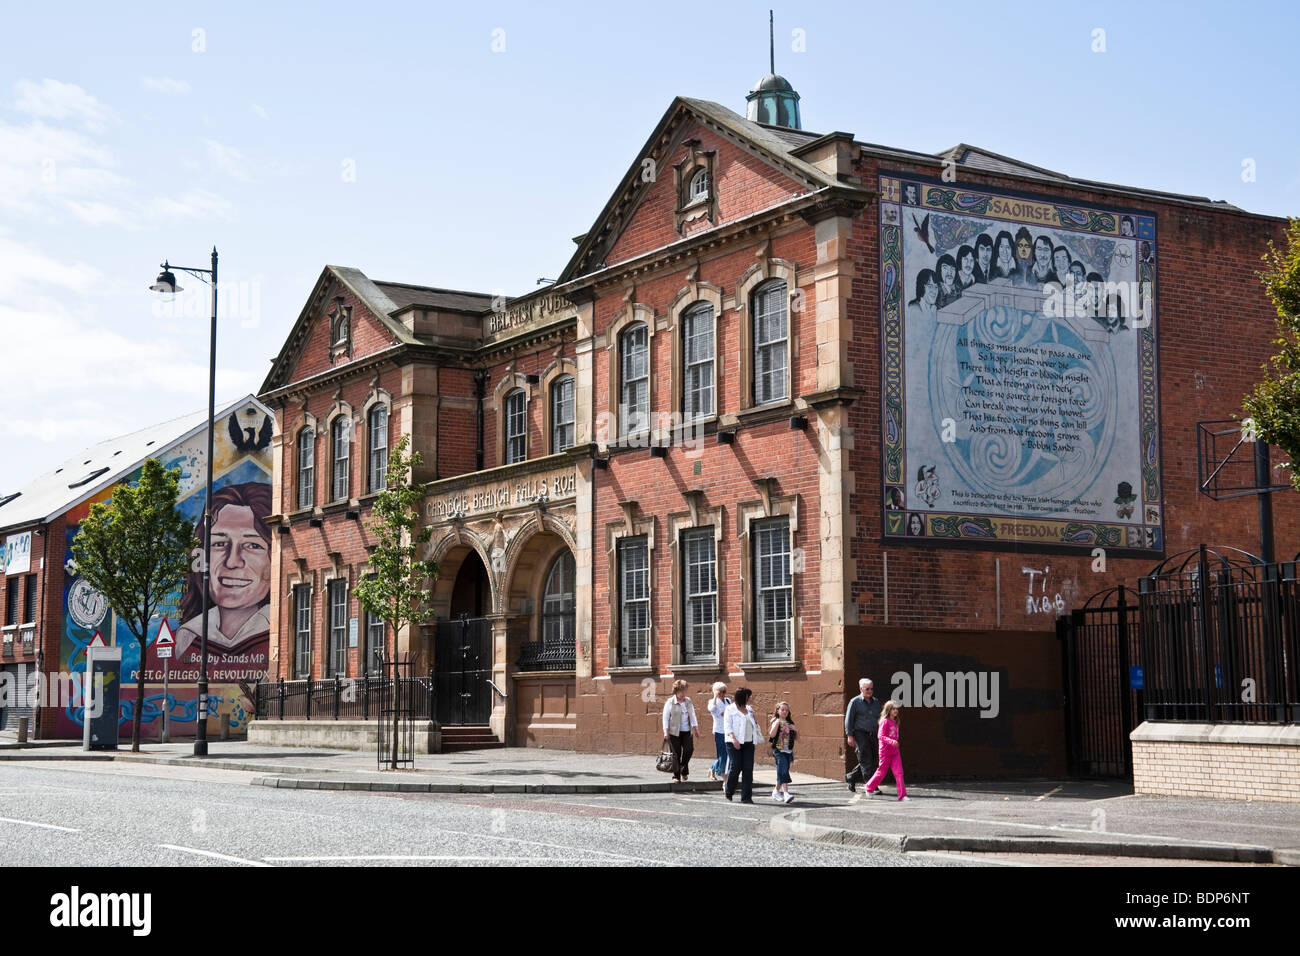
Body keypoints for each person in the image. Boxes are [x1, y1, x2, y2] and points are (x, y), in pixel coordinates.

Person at [174, 481, 273, 661]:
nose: (232, 561)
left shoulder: (280, 637)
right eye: (219, 544)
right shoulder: (185, 638)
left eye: (252, 545)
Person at [864, 700, 910, 801]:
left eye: (896, 709)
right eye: (893, 709)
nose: (895, 711)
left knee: (899, 773)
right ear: (888, 710)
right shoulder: (885, 721)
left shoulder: (896, 722)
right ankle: (869, 787)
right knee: (881, 772)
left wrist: (894, 743)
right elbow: (880, 736)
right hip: (885, 751)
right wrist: (891, 741)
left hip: (895, 752)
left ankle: (902, 796)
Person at [724, 687, 763, 803]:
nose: (749, 699)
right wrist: (734, 739)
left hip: (749, 742)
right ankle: (729, 790)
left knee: (748, 769)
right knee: (735, 767)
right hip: (733, 742)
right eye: (747, 697)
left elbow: (754, 726)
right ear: (741, 698)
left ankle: (746, 797)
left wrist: (755, 720)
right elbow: (727, 726)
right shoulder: (730, 709)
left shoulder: (749, 709)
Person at [844, 677, 881, 792]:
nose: (870, 691)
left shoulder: (875, 702)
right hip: (860, 734)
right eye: (867, 689)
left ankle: (851, 777)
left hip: (873, 734)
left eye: (871, 689)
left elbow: (880, 718)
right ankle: (871, 785)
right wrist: (849, 735)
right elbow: (849, 719)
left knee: (872, 758)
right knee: (866, 759)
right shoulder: (855, 702)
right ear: (861, 689)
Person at [661, 678, 699, 783]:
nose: (684, 693)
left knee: (689, 749)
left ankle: (683, 768)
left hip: (687, 731)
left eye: (685, 691)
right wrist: (666, 731)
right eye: (682, 691)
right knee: (676, 754)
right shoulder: (670, 702)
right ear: (676, 691)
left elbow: (692, 715)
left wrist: (696, 729)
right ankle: (676, 776)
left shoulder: (688, 701)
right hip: (674, 732)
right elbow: (665, 717)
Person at [768, 701, 797, 804]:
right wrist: (776, 724)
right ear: (778, 711)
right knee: (784, 771)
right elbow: (771, 735)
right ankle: (786, 793)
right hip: (778, 750)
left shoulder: (790, 722)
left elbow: (797, 738)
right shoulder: (775, 721)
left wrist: (794, 729)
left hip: (788, 751)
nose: (785, 712)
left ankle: (776, 791)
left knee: (782, 771)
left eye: (787, 710)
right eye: (782, 709)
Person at [707, 681, 731, 781]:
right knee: (723, 754)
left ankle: (712, 768)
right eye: (720, 692)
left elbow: (731, 712)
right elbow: (712, 709)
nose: (722, 694)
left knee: (728, 754)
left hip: (729, 731)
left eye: (723, 691)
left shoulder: (728, 700)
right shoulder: (712, 702)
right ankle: (723, 774)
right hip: (719, 731)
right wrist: (715, 697)